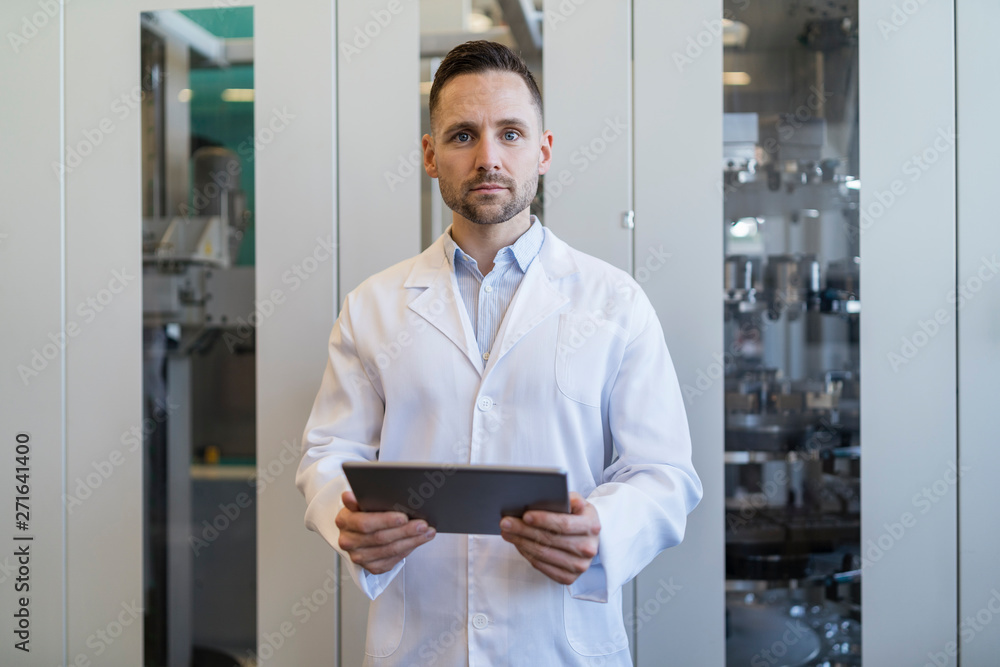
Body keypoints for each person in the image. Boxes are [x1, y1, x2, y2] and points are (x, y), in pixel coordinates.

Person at [296, 40, 702, 666]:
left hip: (560, 643)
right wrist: (341, 515)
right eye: (462, 136)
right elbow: (330, 452)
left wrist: (601, 532)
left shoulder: (614, 302)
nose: (488, 157)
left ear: (542, 150)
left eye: (510, 133)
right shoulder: (373, 306)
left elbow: (665, 472)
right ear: (431, 156)